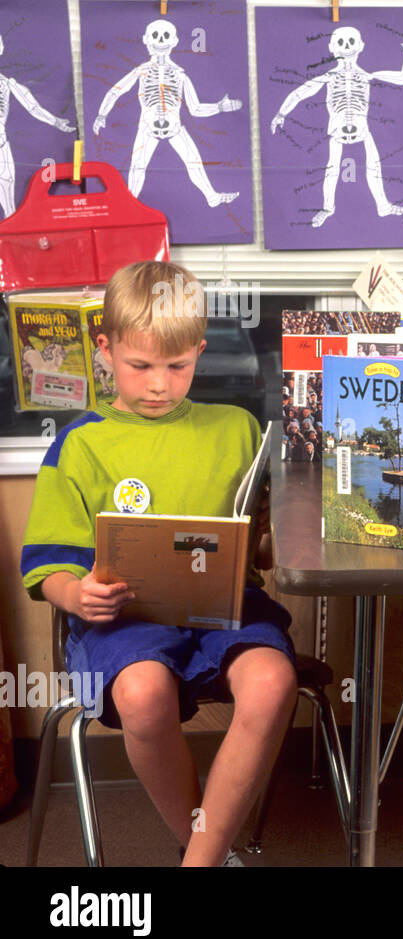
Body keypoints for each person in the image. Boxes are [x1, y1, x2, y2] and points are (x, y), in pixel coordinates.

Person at [20, 261, 298, 867]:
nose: (158, 385)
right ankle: (213, 855)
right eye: (139, 365)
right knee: (145, 694)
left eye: (178, 366)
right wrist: (77, 595)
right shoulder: (82, 443)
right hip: (124, 616)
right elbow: (49, 567)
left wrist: (271, 529)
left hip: (225, 607)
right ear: (105, 347)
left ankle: (199, 860)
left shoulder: (238, 429)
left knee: (274, 682)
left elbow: (266, 552)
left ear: (200, 350)